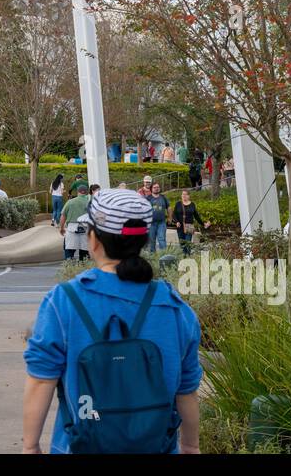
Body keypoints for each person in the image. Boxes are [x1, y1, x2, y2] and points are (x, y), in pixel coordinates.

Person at [22, 188, 202, 454]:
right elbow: (186, 391)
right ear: (142, 241)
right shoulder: (175, 307)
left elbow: (41, 381)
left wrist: (30, 446)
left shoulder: (64, 301)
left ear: (93, 239)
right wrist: (190, 445)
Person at [60, 181, 91, 261]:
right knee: (84, 253)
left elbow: (63, 216)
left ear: (77, 192)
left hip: (72, 228)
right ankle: (83, 267)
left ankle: (69, 266)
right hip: (85, 228)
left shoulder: (70, 202)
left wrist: (61, 228)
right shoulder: (89, 203)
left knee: (69, 251)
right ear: (86, 192)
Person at [139, 178, 170, 251]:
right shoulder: (148, 198)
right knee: (152, 242)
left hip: (161, 223)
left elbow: (169, 207)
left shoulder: (163, 197)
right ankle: (153, 258)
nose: (156, 189)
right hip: (151, 224)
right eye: (154, 187)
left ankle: (165, 257)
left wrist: (170, 217)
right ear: (151, 189)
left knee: (162, 240)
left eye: (158, 187)